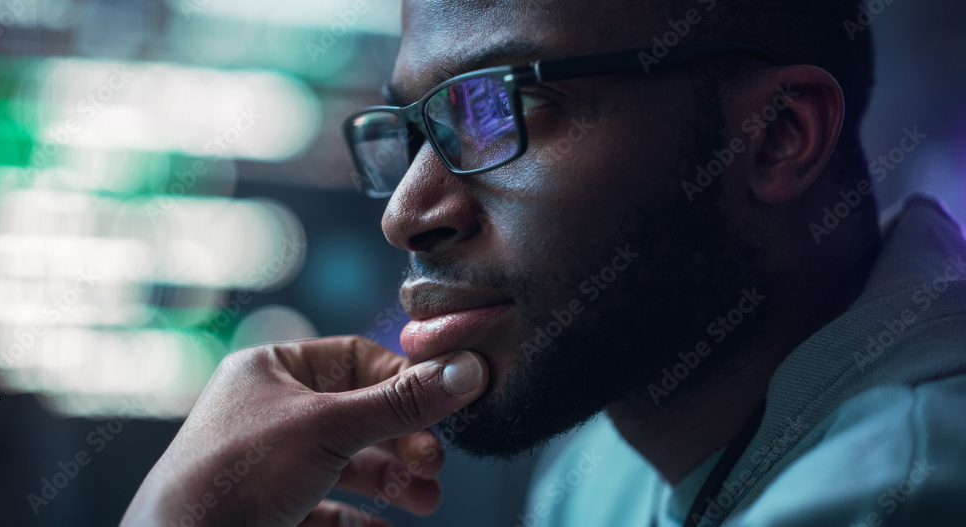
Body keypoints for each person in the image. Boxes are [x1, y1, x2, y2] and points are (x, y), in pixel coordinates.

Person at [122, 0, 966, 526]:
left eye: (497, 108)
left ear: (777, 135)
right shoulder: (595, 475)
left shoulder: (900, 485)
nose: (405, 213)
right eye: (409, 131)